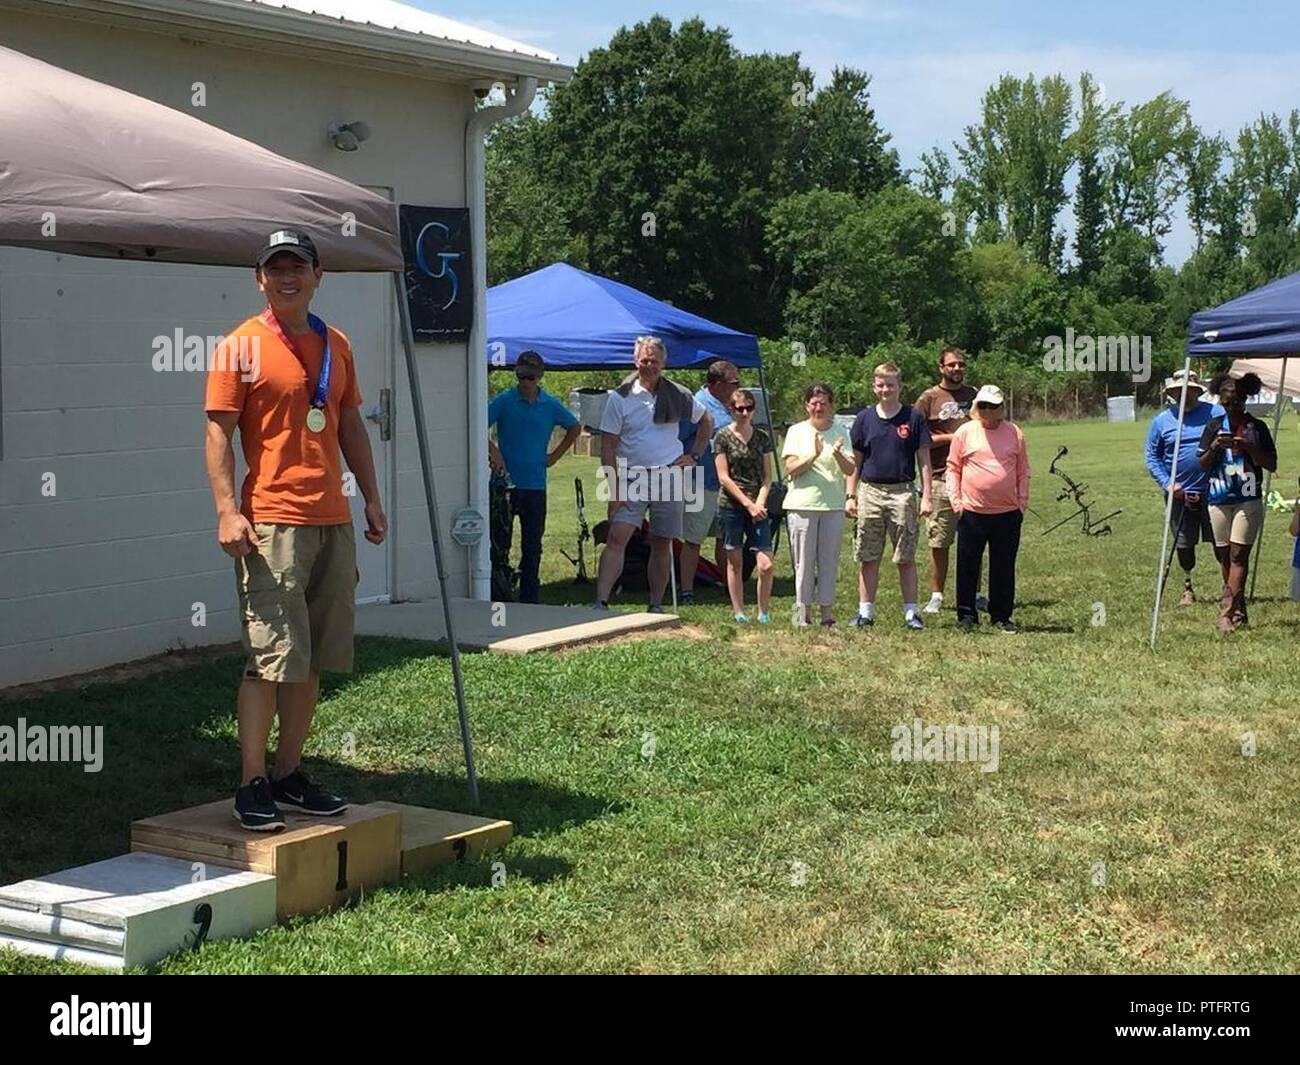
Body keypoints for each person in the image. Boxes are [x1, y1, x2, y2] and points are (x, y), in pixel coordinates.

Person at [205, 229, 387, 831]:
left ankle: (288, 774)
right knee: (269, 661)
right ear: (260, 279)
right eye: (275, 268)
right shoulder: (240, 347)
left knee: (309, 662)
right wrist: (229, 510)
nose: (288, 277)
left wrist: (372, 500)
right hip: (271, 523)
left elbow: (350, 426)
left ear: (317, 275)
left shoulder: (337, 344)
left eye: (298, 267)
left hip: (330, 519)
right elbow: (218, 433)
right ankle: (250, 782)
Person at [596, 336, 710, 612]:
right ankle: (600, 602)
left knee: (662, 542)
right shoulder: (619, 397)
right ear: (636, 361)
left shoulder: (678, 393)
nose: (649, 366)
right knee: (617, 536)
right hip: (632, 474)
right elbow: (608, 443)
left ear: (664, 363)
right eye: (644, 361)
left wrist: (694, 455)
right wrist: (614, 487)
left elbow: (706, 420)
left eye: (654, 361)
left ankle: (656, 605)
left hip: (669, 475)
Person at [845, 362, 933, 631]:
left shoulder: (913, 417)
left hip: (902, 492)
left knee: (905, 556)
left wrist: (926, 495)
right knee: (867, 555)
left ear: (900, 386)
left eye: (890, 385)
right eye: (881, 385)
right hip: (870, 491)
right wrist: (850, 494)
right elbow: (855, 462)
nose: (885, 389)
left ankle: (911, 613)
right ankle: (865, 613)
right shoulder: (864, 419)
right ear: (874, 387)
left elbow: (924, 461)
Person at [487, 351, 581, 603]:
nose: (525, 382)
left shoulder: (550, 404)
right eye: (521, 376)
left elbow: (574, 427)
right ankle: (500, 592)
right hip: (505, 485)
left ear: (539, 377)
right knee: (499, 543)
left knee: (532, 546)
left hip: (535, 485)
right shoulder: (505, 401)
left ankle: (530, 597)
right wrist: (493, 451)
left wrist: (555, 455)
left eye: (530, 377)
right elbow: (477, 424)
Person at [1198, 371, 1277, 633]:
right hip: (1218, 497)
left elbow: (1271, 464)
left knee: (1238, 555)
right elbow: (1201, 464)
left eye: (1237, 401)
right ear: (1220, 401)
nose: (1232, 405)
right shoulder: (1213, 427)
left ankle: (1225, 612)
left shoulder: (1257, 428)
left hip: (1248, 498)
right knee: (1224, 558)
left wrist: (1249, 448)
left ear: (1245, 400)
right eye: (1227, 401)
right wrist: (1215, 448)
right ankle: (1239, 608)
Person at [946, 384, 1029, 632]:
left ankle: (1001, 616)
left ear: (1001, 409)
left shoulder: (1015, 433)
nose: (986, 410)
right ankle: (966, 615)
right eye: (982, 405)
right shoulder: (965, 433)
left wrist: (1022, 503)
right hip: (972, 511)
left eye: (991, 406)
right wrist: (956, 501)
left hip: (1007, 512)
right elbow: (953, 468)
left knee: (1003, 565)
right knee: (967, 564)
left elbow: (1023, 471)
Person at [1145, 370, 1222, 606]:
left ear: (1197, 391)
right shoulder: (1161, 421)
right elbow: (1151, 456)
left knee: (1221, 542)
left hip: (1215, 491)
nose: (1184, 394)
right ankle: (1187, 587)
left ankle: (1228, 585)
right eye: (1179, 390)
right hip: (1179, 494)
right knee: (1184, 544)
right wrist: (1169, 484)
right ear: (1173, 392)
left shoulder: (1215, 414)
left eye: (1188, 390)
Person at [782, 383, 856, 627]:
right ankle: (801, 614)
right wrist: (813, 454)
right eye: (814, 403)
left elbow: (850, 469)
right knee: (803, 562)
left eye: (823, 403)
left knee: (828, 560)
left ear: (831, 405)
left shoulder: (841, 431)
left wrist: (836, 453)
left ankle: (827, 614)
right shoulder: (796, 431)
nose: (819, 407)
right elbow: (791, 469)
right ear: (806, 405)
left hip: (832, 505)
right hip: (802, 504)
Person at [914, 345, 978, 614]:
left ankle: (975, 593)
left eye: (961, 364)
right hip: (941, 476)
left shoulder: (974, 395)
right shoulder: (929, 398)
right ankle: (937, 595)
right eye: (951, 365)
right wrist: (953, 438)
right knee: (940, 539)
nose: (957, 369)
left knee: (974, 539)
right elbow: (915, 437)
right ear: (941, 368)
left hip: (973, 477)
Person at [677, 360, 740, 603]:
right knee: (693, 539)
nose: (738, 386)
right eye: (734, 382)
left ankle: (730, 588)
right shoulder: (696, 405)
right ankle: (687, 591)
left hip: (727, 485)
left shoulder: (730, 406)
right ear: (717, 384)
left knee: (725, 539)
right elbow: (678, 439)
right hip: (700, 482)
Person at [714, 389, 774, 622]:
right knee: (735, 560)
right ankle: (739, 611)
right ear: (731, 409)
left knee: (766, 564)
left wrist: (759, 502)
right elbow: (723, 477)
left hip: (758, 505)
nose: (745, 412)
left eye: (749, 407)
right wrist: (747, 504)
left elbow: (768, 477)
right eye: (740, 408)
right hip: (731, 505)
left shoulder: (762, 437)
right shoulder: (722, 437)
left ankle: (763, 612)